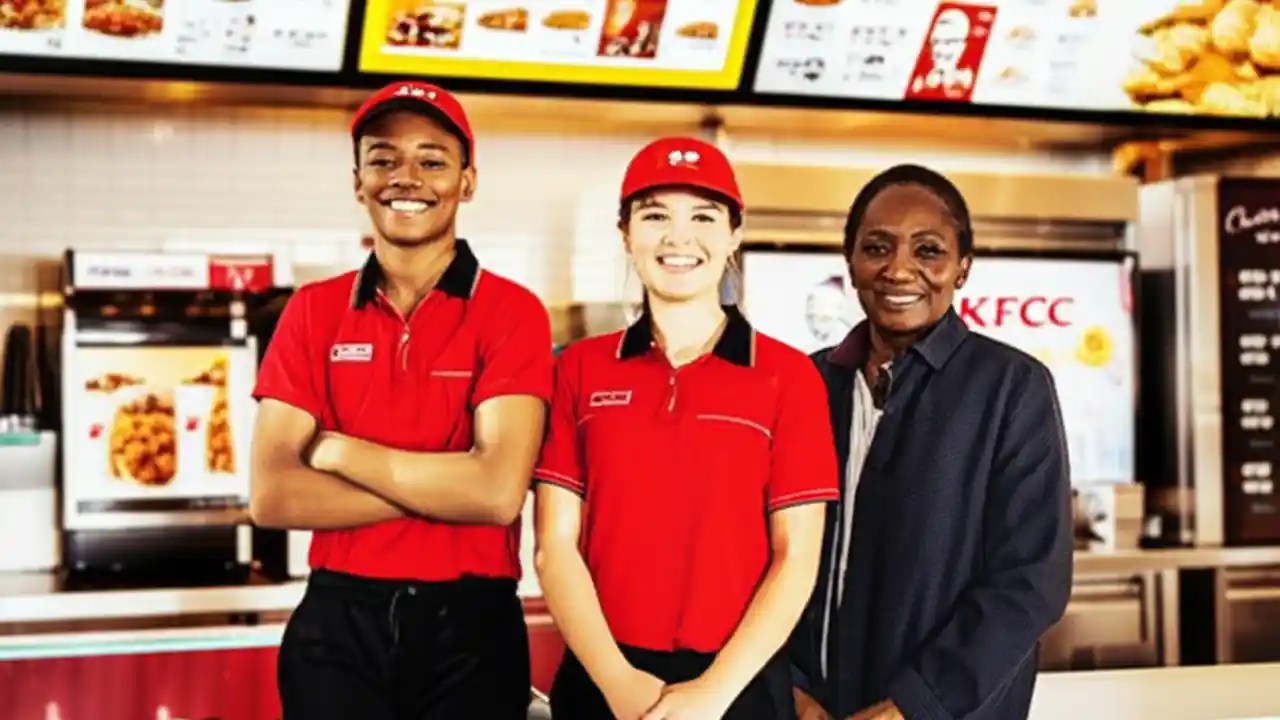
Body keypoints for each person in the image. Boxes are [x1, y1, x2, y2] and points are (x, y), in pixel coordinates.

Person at [249, 80, 553, 719]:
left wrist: (340, 452)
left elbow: (497, 492)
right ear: (357, 180)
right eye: (383, 159)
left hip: (470, 626)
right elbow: (274, 495)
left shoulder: (511, 312)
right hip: (338, 624)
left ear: (467, 181)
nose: (405, 178)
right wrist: (445, 490)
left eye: (432, 160)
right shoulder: (312, 311)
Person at [533, 137, 840, 720]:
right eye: (655, 216)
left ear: (734, 235)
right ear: (625, 234)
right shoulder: (578, 368)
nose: (679, 238)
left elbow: (796, 557)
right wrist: (620, 686)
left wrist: (712, 695)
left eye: (703, 216)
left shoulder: (787, 376)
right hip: (604, 680)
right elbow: (555, 547)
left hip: (739, 686)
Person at [790, 164, 1073, 720]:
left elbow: (1030, 581)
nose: (900, 270)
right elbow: (763, 557)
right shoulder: (805, 386)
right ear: (850, 263)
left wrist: (913, 707)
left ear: (962, 267)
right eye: (877, 247)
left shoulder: (1011, 388)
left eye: (928, 251)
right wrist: (790, 689)